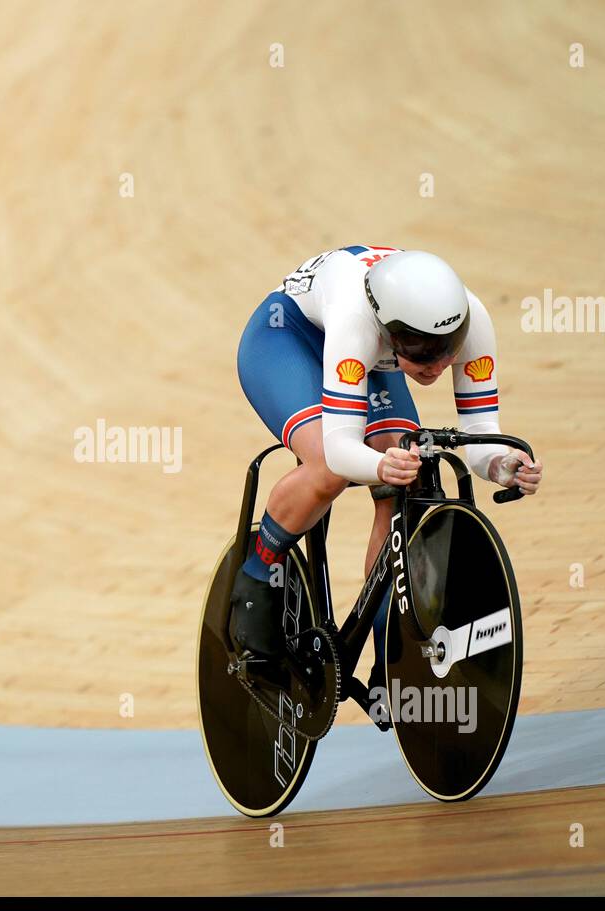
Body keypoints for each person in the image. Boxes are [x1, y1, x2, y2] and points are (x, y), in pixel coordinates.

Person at [231, 245, 543, 675]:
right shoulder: (355, 320)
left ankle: (388, 645)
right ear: (391, 332)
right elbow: (342, 450)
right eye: (420, 351)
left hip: (374, 356)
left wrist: (500, 465)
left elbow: (480, 435)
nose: (434, 366)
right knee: (325, 470)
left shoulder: (472, 319)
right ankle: (257, 576)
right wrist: (379, 466)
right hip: (288, 338)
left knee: (405, 482)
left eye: (446, 349)